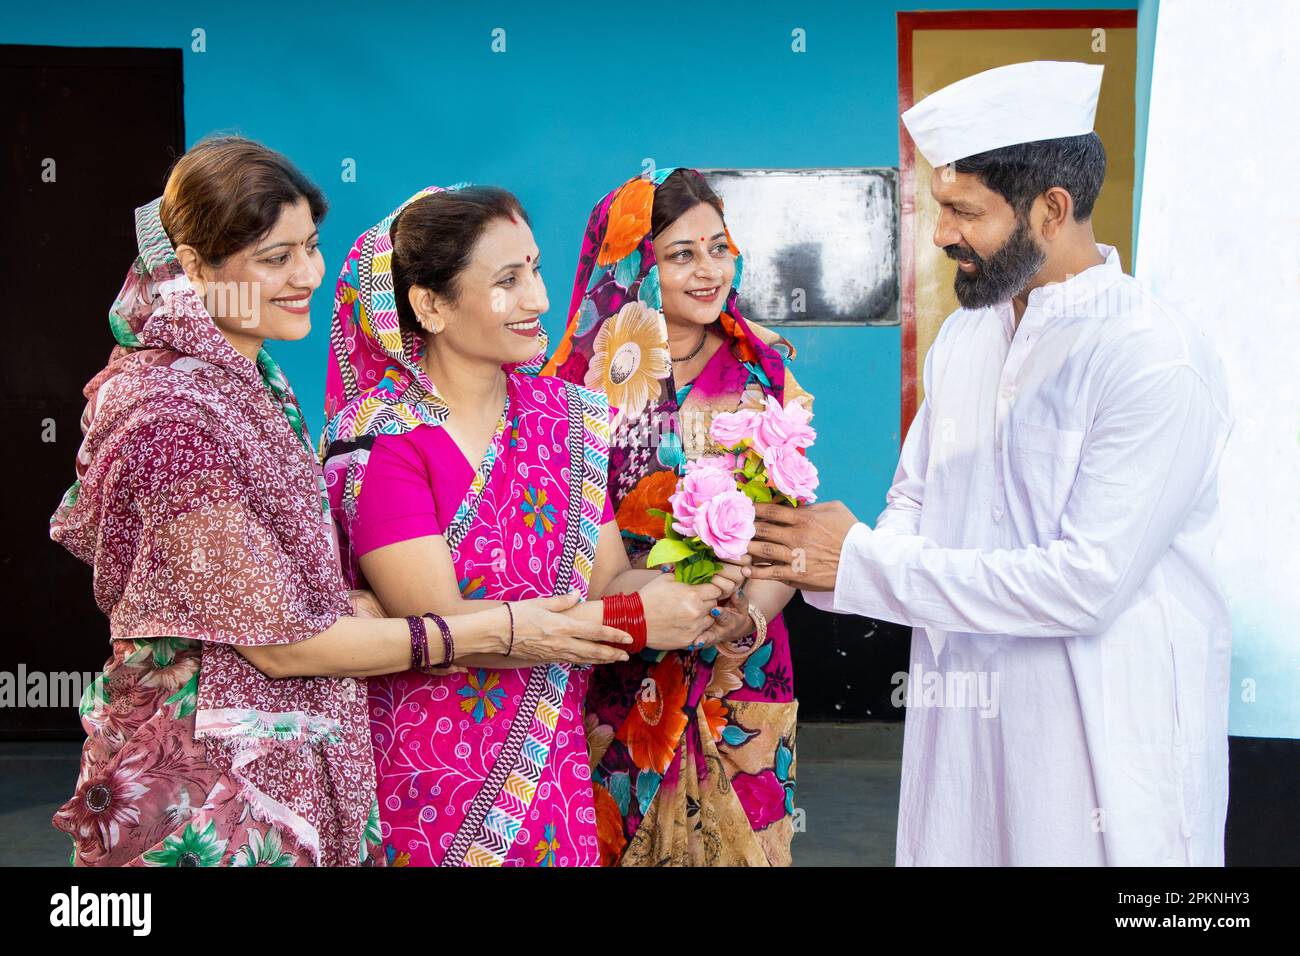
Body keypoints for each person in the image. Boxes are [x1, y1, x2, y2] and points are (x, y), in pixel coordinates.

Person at [49, 138, 627, 868]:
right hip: (203, 787)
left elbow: (269, 599)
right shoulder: (172, 416)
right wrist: (503, 629)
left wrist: (348, 603)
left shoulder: (247, 384)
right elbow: (280, 644)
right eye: (276, 257)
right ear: (194, 266)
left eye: (311, 248)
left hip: (280, 764)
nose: (308, 276)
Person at [746, 61, 1233, 866]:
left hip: (1098, 740)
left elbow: (1086, 583)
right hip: (966, 725)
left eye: (964, 211)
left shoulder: (1152, 356)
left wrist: (861, 563)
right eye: (942, 206)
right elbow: (915, 502)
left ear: (1052, 209)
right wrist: (817, 559)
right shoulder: (967, 335)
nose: (941, 234)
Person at [321, 185, 732, 867]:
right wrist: (634, 620)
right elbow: (440, 627)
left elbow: (608, 577)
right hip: (428, 789)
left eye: (536, 270)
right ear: (431, 306)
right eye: (507, 280)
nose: (539, 299)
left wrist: (692, 583)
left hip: (551, 780)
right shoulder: (385, 439)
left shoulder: (565, 418)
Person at [545, 167, 812, 866]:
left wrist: (745, 619)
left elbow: (791, 529)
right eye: (681, 254)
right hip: (616, 662)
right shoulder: (575, 385)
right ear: (632, 267)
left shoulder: (763, 372)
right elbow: (560, 534)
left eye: (719, 248)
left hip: (739, 668)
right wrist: (650, 602)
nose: (709, 270)